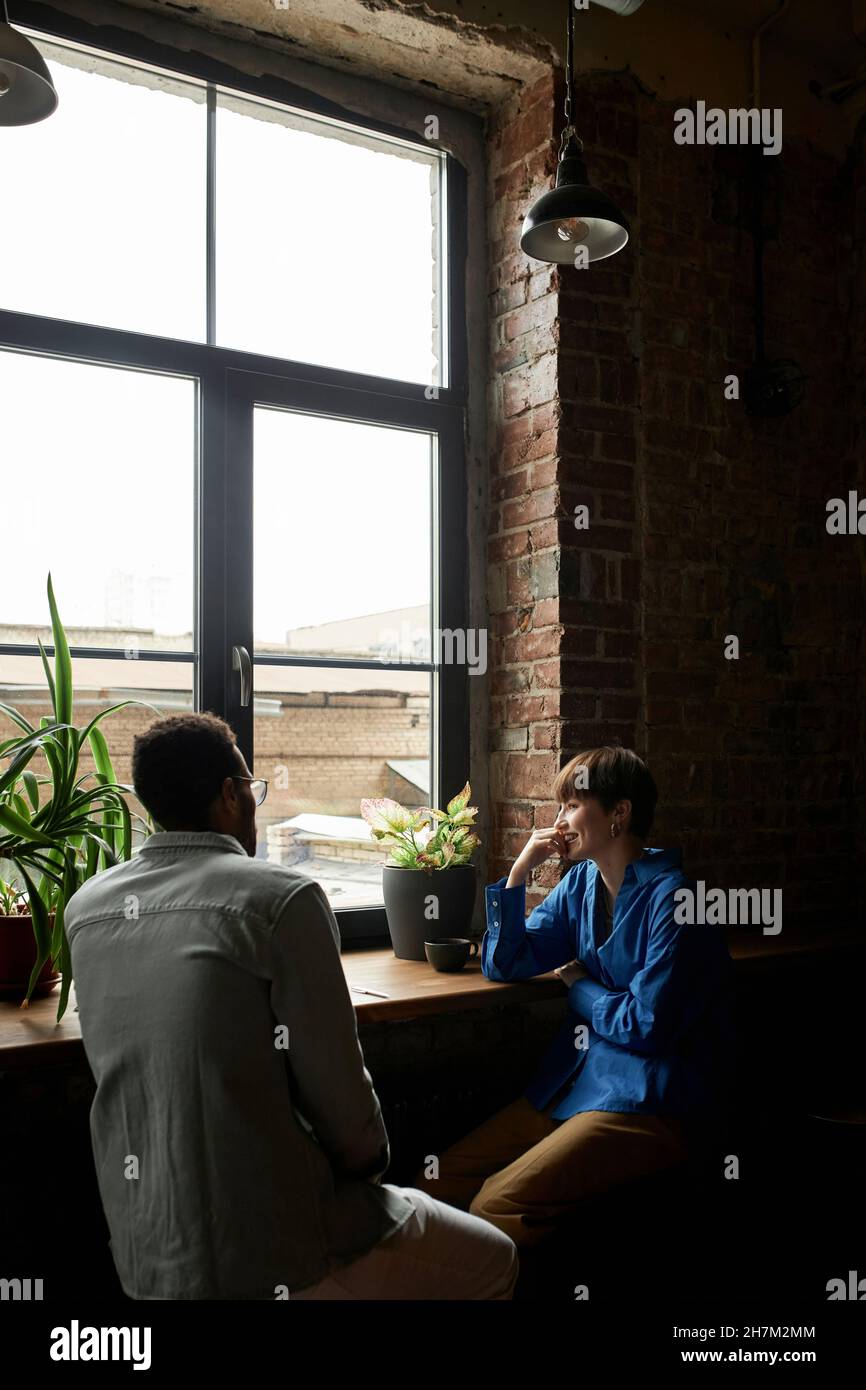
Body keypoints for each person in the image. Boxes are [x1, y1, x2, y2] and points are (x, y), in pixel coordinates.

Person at [65, 712, 517, 1301]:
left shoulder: (86, 909)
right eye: (252, 788)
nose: (255, 803)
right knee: (497, 1262)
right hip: (282, 1251)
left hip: (146, 1255)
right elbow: (346, 1111)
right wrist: (369, 1171)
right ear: (229, 796)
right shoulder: (280, 900)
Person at [411, 745, 736, 1248]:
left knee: (493, 1205)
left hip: (651, 1097)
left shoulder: (677, 901)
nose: (559, 821)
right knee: (433, 1182)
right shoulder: (582, 884)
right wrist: (520, 871)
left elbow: (646, 1027)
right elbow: (506, 963)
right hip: (576, 1083)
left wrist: (579, 988)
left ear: (619, 814)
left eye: (571, 805)